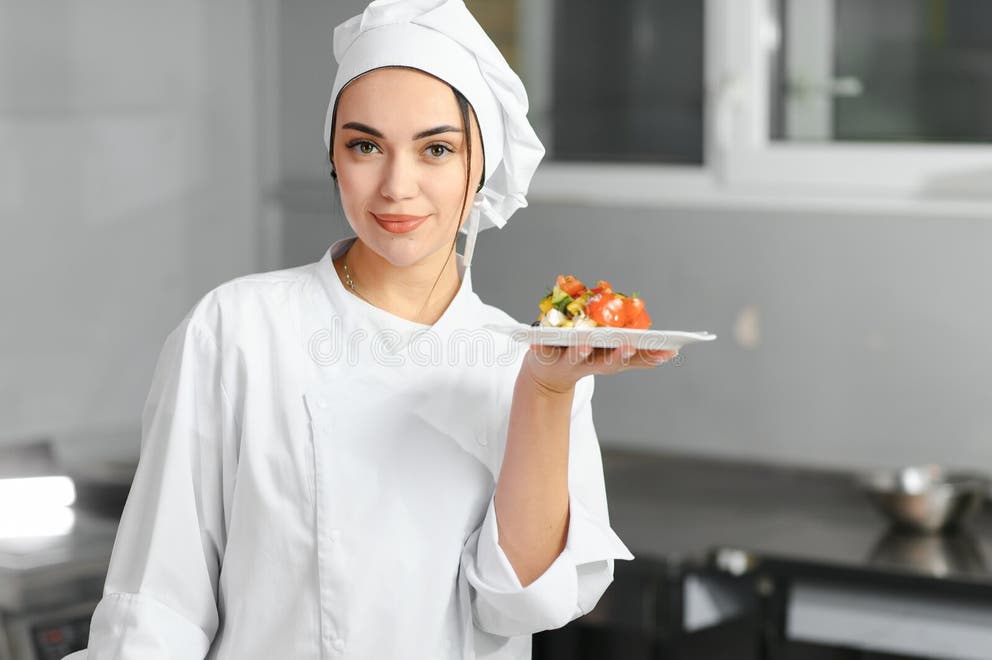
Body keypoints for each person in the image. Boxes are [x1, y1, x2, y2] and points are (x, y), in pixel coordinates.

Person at [64, 1, 677, 658]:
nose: (397, 186)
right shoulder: (237, 332)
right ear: (332, 155)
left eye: (436, 149)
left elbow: (521, 602)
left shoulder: (534, 361)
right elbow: (157, 606)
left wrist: (547, 394)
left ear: (482, 166)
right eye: (365, 146)